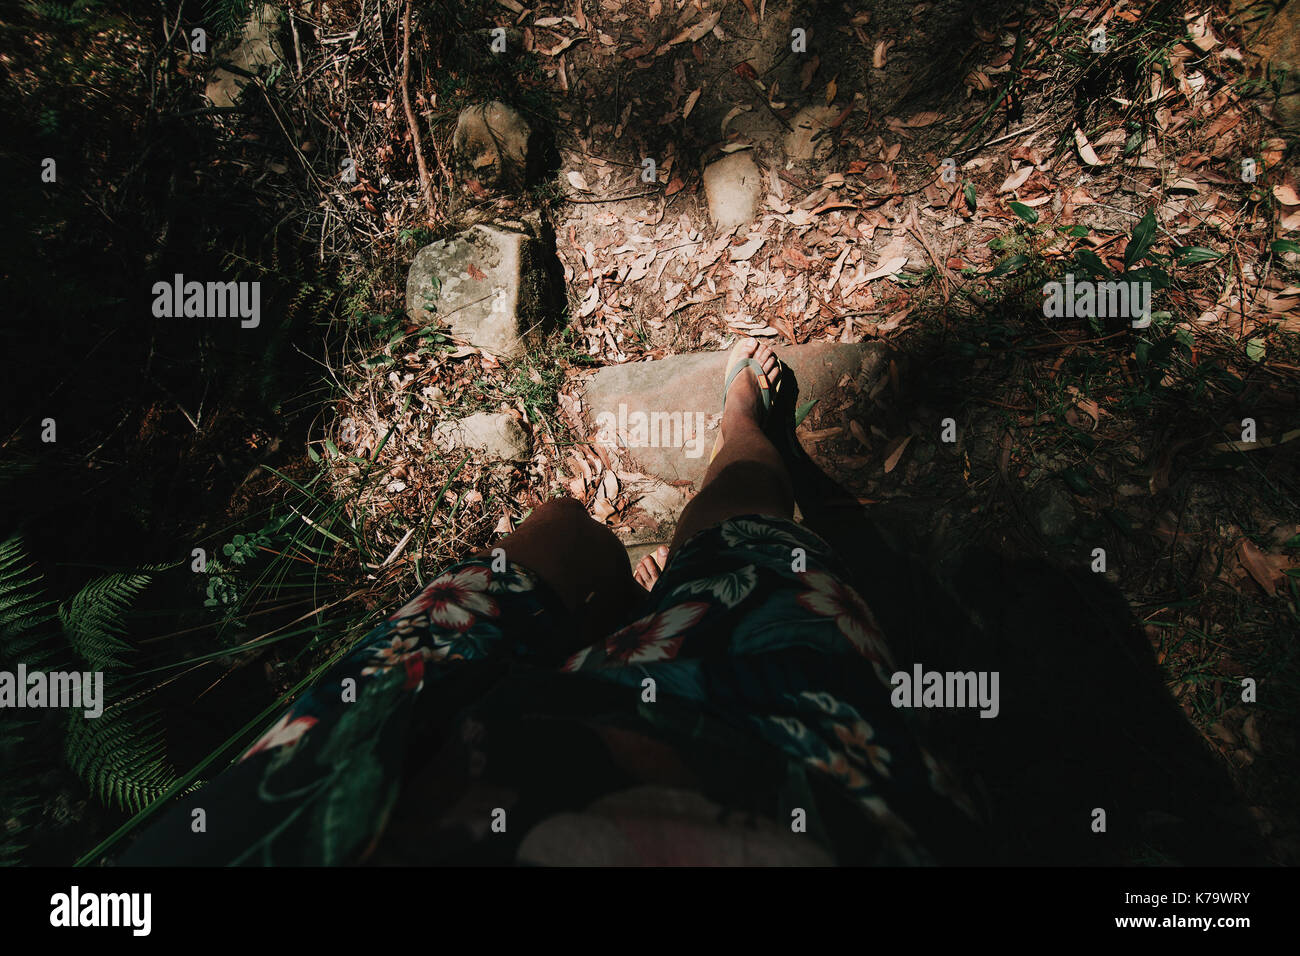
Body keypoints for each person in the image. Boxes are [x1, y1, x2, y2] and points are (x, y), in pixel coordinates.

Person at [120, 339, 981, 866]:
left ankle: (635, 619)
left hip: (330, 780)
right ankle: (741, 420)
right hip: (772, 769)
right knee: (745, 542)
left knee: (562, 534)